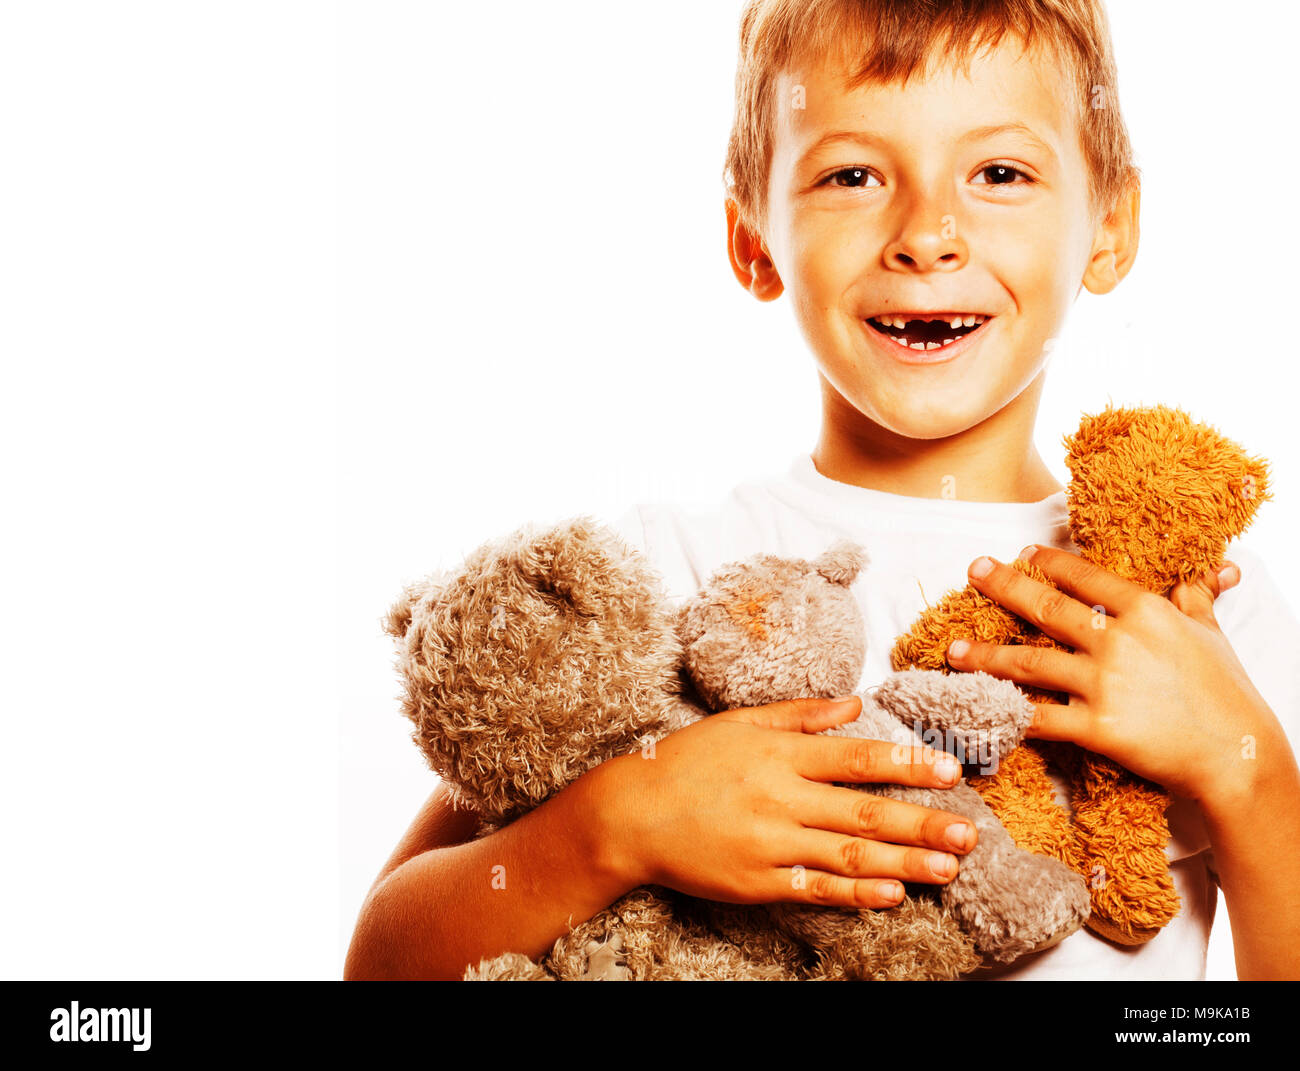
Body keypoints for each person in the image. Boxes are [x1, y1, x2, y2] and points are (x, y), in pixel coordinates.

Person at [344, 0, 1300, 981]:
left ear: (1109, 226)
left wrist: (1249, 771)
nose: (926, 233)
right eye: (851, 175)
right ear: (753, 239)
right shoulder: (650, 583)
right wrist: (612, 825)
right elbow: (379, 962)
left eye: (999, 174)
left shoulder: (1195, 615)